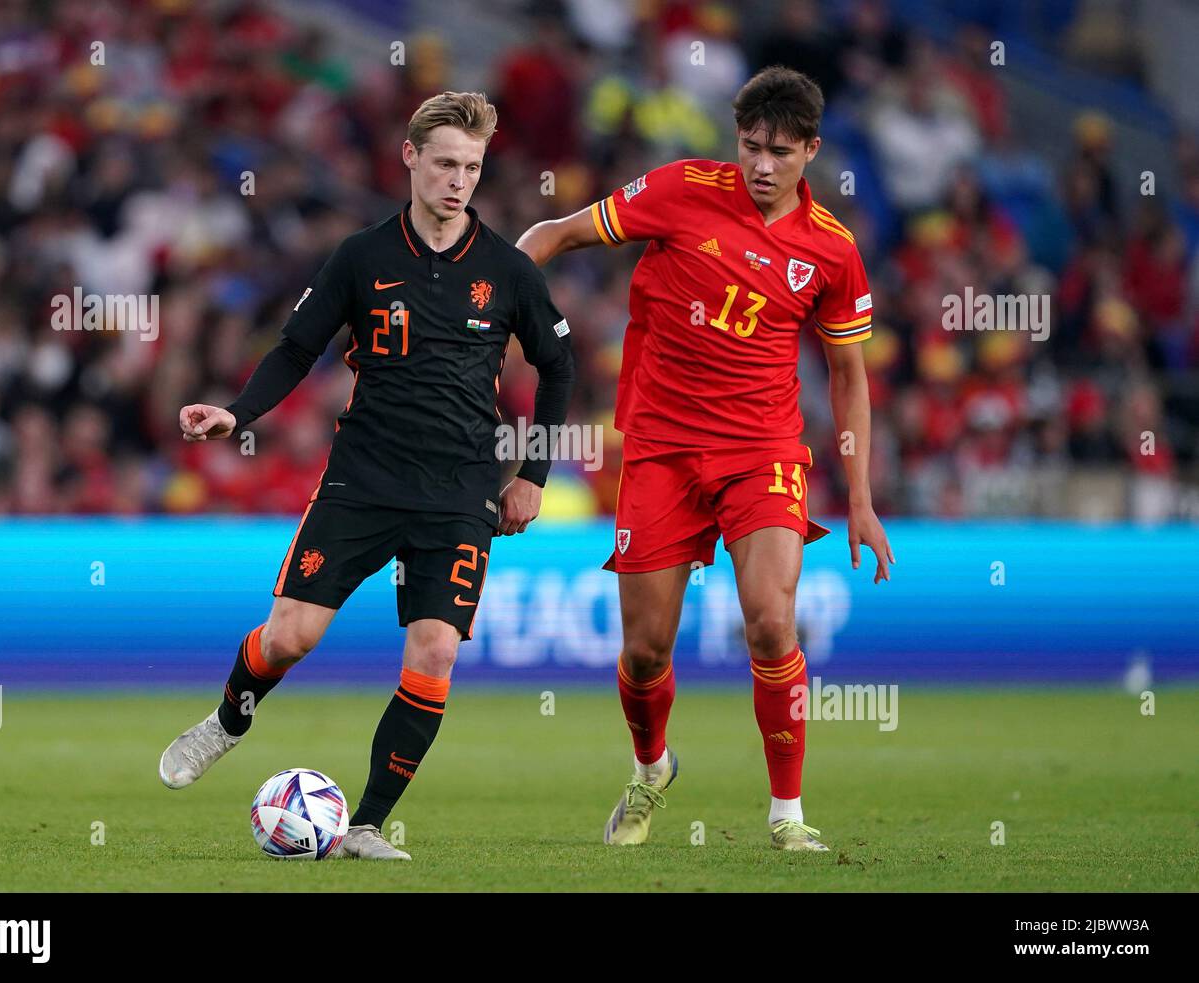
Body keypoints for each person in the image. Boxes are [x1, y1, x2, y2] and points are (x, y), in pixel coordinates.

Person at [158, 91, 574, 861]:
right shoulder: (362, 256)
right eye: (445, 163)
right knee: (290, 637)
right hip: (365, 476)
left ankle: (367, 824)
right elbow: (295, 348)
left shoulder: (508, 271)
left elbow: (558, 367)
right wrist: (236, 415)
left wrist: (533, 475)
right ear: (410, 158)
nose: (458, 181)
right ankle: (227, 719)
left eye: (472, 168)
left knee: (436, 651)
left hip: (460, 490)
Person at [517, 66, 893, 851]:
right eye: (750, 146)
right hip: (658, 444)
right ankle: (650, 767)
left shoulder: (830, 251)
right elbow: (554, 235)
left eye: (780, 153)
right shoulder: (680, 187)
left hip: (763, 449)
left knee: (769, 621)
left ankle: (787, 815)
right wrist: (490, 305)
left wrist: (859, 497)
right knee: (645, 649)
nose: (761, 165)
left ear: (812, 152)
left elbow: (849, 375)